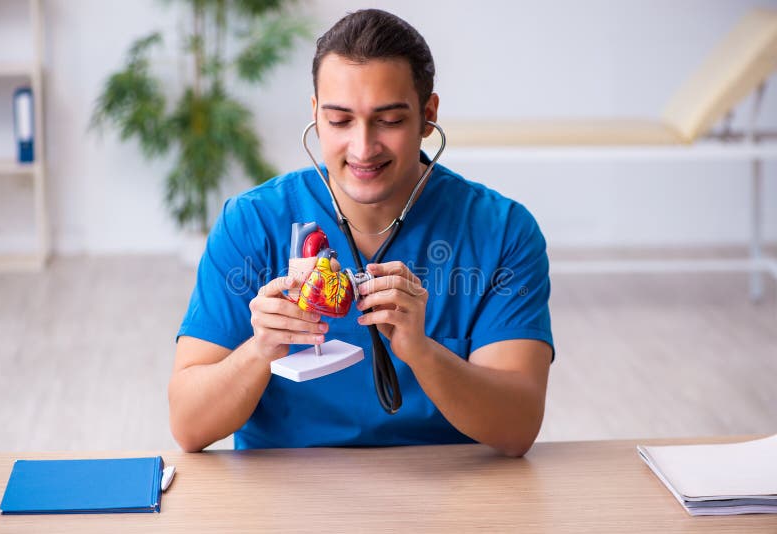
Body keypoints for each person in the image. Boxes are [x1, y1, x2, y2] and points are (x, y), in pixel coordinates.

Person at [169, 8, 554, 456]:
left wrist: (422, 351)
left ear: (428, 116)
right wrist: (259, 351)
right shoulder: (251, 223)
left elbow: (517, 429)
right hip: (285, 496)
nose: (363, 147)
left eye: (389, 120)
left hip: (448, 491)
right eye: (339, 120)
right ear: (315, 113)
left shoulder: (503, 231)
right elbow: (189, 426)